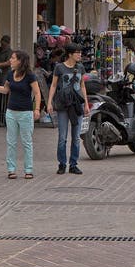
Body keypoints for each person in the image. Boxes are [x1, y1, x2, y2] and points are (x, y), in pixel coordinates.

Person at [0, 50, 40, 179]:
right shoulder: (10, 74)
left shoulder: (30, 75)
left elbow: (37, 93)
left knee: (27, 142)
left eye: (13, 58)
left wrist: (36, 109)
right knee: (11, 142)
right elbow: (5, 90)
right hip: (11, 113)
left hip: (25, 113)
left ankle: (28, 170)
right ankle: (11, 169)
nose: (10, 60)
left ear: (20, 61)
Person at [47, 43, 90, 175]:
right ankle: (62, 164)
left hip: (77, 104)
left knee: (76, 137)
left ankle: (73, 164)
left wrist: (86, 104)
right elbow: (54, 85)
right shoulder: (59, 68)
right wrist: (49, 103)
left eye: (80, 53)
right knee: (62, 137)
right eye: (77, 53)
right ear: (70, 54)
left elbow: (82, 86)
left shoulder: (81, 67)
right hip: (63, 104)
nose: (80, 55)